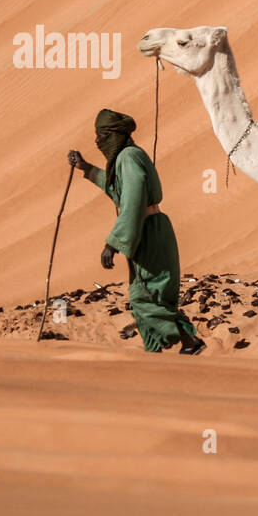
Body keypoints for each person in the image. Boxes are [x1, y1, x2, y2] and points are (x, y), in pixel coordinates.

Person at [68, 109, 204, 355]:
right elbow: (120, 192)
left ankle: (187, 344)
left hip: (148, 231)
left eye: (100, 135)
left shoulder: (128, 157)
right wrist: (86, 168)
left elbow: (132, 202)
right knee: (150, 296)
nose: (97, 142)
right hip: (150, 231)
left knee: (146, 298)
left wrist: (113, 243)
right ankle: (165, 351)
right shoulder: (127, 157)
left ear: (112, 135)